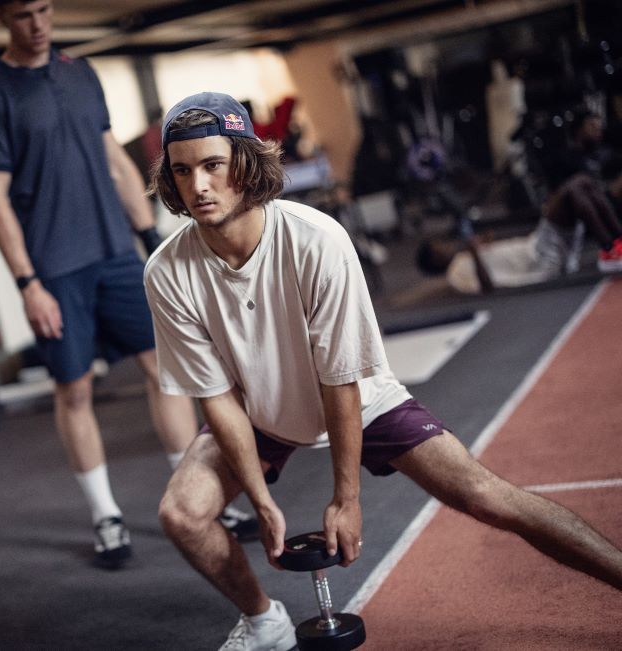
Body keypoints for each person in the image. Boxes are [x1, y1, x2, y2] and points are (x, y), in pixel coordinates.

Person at [142, 92, 622, 649]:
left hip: (360, 401)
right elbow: (217, 398)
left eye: (212, 165)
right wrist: (260, 499)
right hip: (258, 410)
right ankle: (262, 620)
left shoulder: (316, 241)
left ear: (244, 164)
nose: (197, 185)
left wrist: (347, 499)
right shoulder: (167, 271)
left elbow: (339, 380)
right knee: (181, 513)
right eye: (182, 171)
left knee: (487, 497)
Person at [0, 2, 256, 567]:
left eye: (45, 8)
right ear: (2, 15)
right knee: (74, 391)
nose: (38, 23)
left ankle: (196, 499)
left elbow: (115, 162)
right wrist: (28, 283)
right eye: (24, 13)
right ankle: (106, 515)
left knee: (166, 372)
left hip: (115, 254)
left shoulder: (81, 73)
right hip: (53, 269)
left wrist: (151, 240)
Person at [416, 158, 622, 293]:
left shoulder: (463, 256)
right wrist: (476, 254)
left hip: (537, 245)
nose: (445, 245)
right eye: (439, 248)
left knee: (582, 183)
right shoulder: (455, 274)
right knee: (573, 189)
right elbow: (486, 287)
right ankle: (610, 249)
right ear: (435, 259)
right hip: (541, 260)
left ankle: (616, 242)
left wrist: (485, 245)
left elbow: (500, 260)